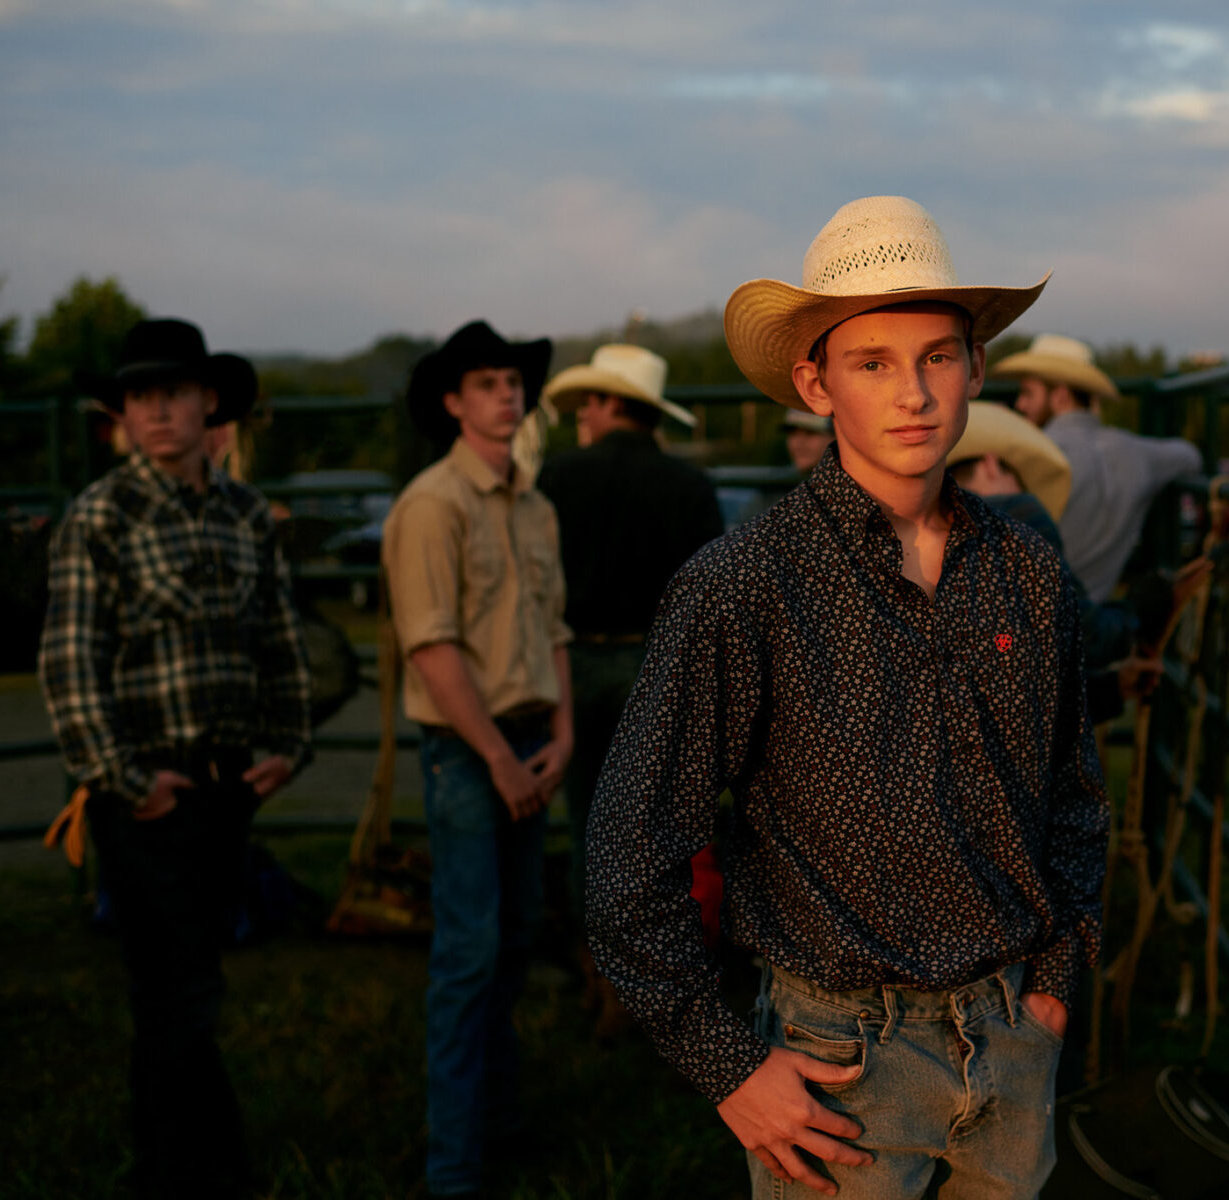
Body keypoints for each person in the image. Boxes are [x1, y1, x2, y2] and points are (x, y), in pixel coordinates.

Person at [587, 195, 1110, 1198]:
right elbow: (626, 850)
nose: (914, 392)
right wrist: (729, 1067)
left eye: (939, 357)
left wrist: (1051, 991)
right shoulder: (744, 585)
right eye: (873, 362)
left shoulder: (1032, 577)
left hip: (1010, 1039)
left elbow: (1075, 797)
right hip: (839, 1058)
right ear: (814, 381)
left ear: (978, 370)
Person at [38, 317, 313, 1199]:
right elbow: (71, 663)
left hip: (228, 780)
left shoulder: (242, 513)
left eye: (174, 393)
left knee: (186, 983)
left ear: (208, 405)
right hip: (148, 784)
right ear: (122, 413)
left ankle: (173, 1159)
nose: (156, 411)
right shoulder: (99, 517)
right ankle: (198, 1171)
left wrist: (287, 744)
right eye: (139, 397)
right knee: (177, 987)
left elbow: (279, 636)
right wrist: (123, 778)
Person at [381, 320, 573, 1198]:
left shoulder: (536, 505)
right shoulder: (432, 504)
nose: (505, 393)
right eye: (485, 382)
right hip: (470, 753)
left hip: (528, 745)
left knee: (512, 942)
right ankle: (453, 1168)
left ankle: (496, 1126)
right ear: (453, 402)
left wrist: (563, 734)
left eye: (512, 380)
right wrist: (498, 756)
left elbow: (552, 630)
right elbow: (431, 648)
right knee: (470, 951)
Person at [534, 344, 723, 975]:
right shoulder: (691, 487)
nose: (583, 413)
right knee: (656, 827)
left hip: (575, 661)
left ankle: (597, 968)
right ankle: (659, 964)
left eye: (590, 400)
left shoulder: (557, 478)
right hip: (656, 667)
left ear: (613, 403)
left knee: (588, 818)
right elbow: (708, 595)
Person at [948, 400, 1153, 722]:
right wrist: (1137, 613)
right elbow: (1080, 636)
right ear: (991, 464)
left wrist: (1108, 690)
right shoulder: (1018, 517)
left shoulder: (927, 534)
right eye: (1019, 477)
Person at [999, 333, 1202, 604]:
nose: (1020, 404)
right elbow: (1190, 456)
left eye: (1028, 393)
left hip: (1030, 620)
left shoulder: (1027, 457)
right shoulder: (1136, 452)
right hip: (1093, 623)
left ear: (1060, 396)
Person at [783, 408, 835, 474]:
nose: (799, 443)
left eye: (810, 433)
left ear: (834, 437)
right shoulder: (778, 480)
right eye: (792, 433)